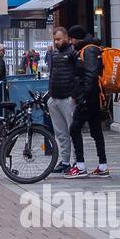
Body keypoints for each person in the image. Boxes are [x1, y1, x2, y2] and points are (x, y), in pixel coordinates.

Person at [67, 25, 108, 177]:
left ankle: (80, 166)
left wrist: (82, 99)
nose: (70, 42)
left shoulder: (89, 50)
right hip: (93, 98)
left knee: (74, 129)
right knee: (96, 131)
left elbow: (90, 75)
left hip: (88, 99)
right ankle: (103, 166)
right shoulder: (90, 48)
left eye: (71, 39)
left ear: (76, 38)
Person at [46, 27, 78, 174]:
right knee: (61, 133)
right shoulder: (54, 53)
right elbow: (52, 73)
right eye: (55, 39)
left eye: (59, 39)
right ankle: (65, 161)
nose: (56, 42)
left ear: (66, 37)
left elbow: (78, 74)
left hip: (68, 98)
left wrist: (74, 95)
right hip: (55, 97)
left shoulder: (73, 52)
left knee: (72, 131)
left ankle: (78, 161)